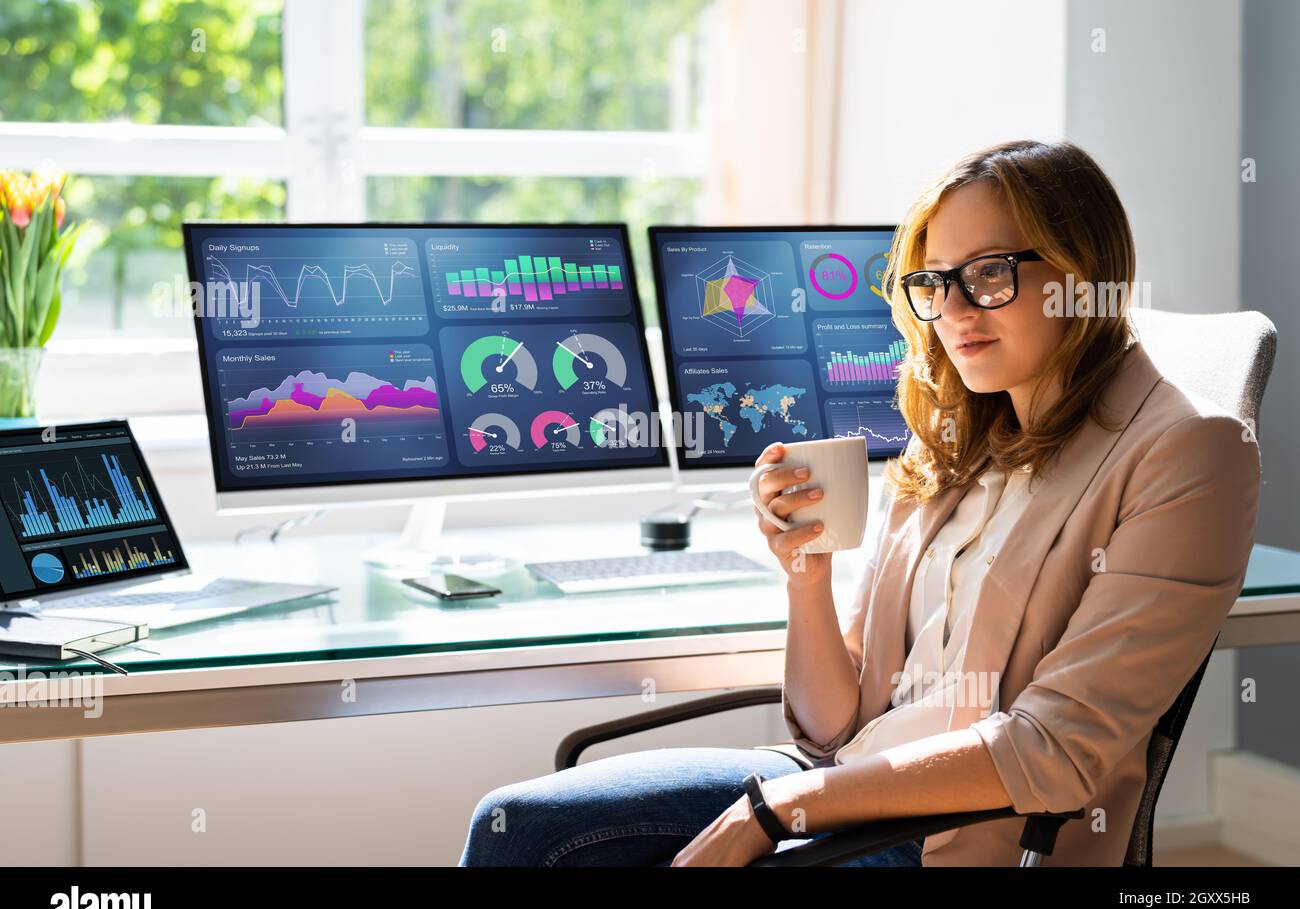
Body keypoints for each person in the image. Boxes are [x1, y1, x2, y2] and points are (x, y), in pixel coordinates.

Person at [458, 139, 1261, 867]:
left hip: (966, 833)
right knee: (518, 825)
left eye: (987, 273)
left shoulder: (1192, 452)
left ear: (1082, 274)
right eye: (933, 281)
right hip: (844, 781)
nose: (951, 310)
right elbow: (833, 726)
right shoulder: (952, 431)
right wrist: (805, 576)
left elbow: (1054, 749)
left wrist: (775, 813)